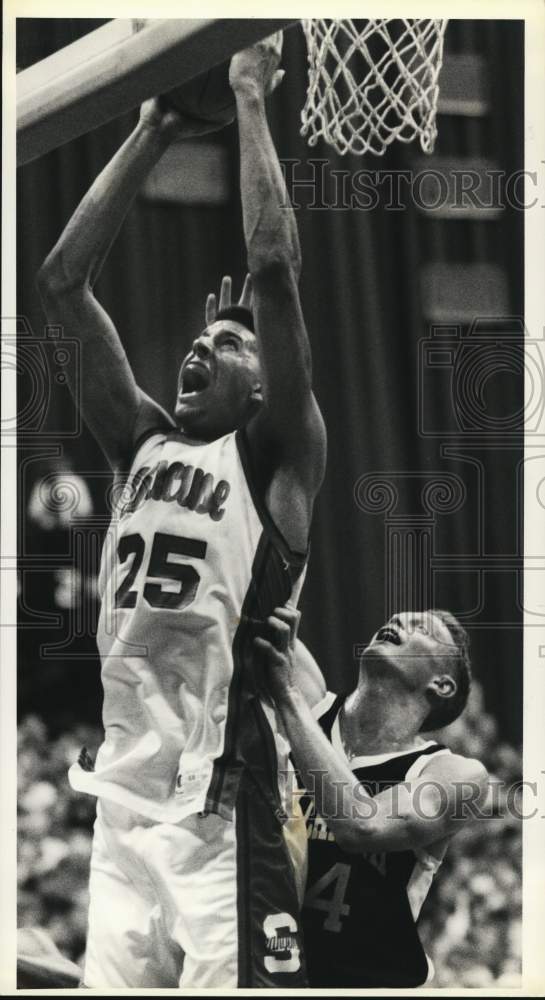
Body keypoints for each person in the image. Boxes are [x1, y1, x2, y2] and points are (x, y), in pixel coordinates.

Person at [36, 33, 326, 989]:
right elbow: (60, 285)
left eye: (228, 344)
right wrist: (154, 126)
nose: (199, 349)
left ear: (265, 390)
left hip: (222, 813)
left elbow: (274, 271)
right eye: (198, 338)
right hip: (123, 812)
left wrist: (248, 98)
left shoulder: (277, 459)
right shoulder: (142, 446)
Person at [255, 605, 489, 988]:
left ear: (442, 684)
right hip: (276, 972)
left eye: (422, 629)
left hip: (374, 983)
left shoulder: (454, 775)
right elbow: (258, 606)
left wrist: (285, 696)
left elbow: (361, 826)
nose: (398, 621)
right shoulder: (311, 702)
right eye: (399, 617)